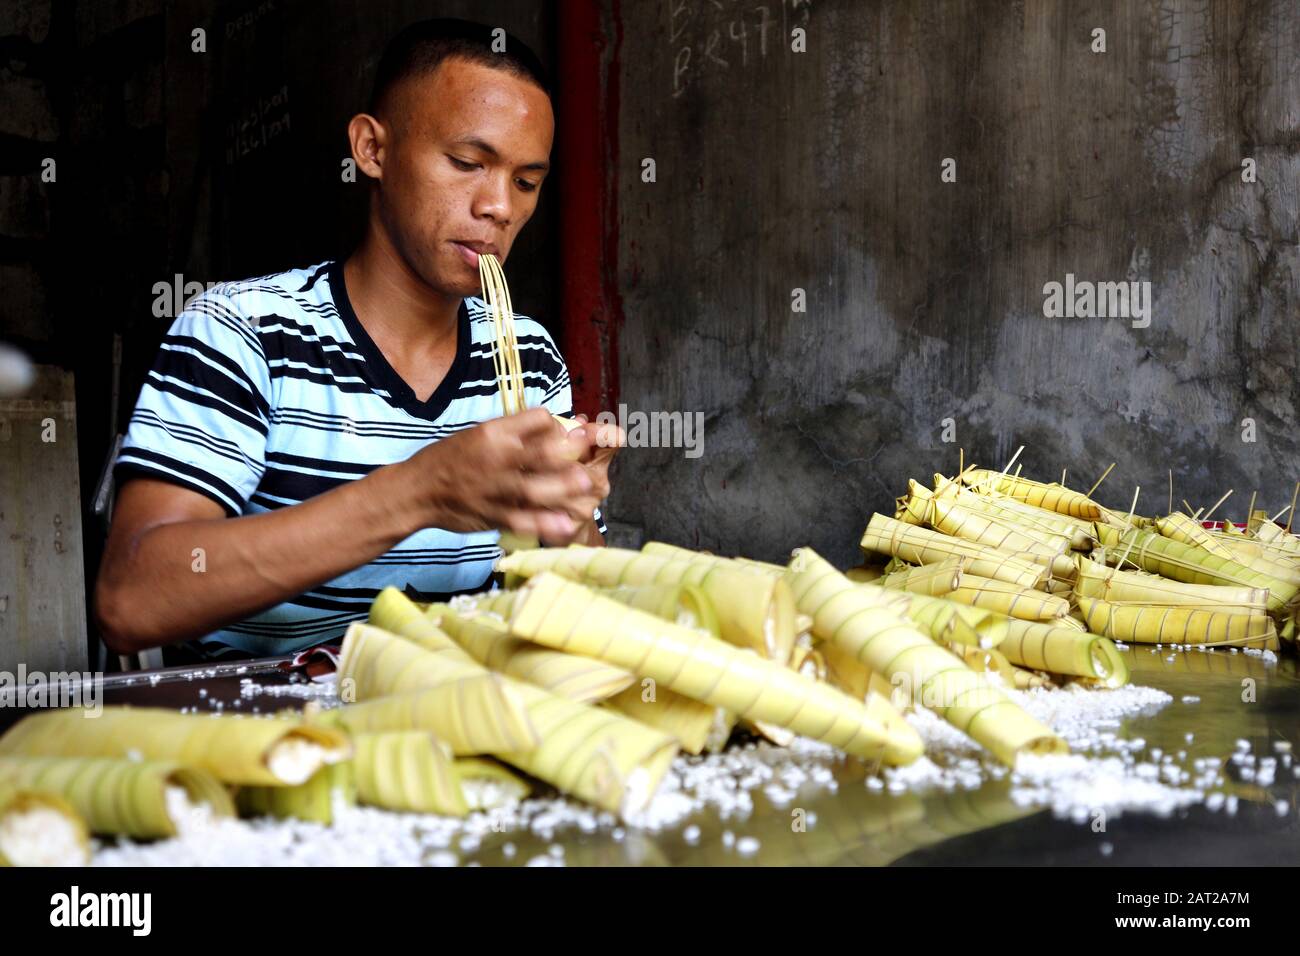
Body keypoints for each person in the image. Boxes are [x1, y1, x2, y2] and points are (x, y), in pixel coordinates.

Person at [96, 18, 619, 661]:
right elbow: (130, 597)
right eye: (466, 163)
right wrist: (419, 491)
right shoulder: (240, 332)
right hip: (262, 745)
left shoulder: (526, 357)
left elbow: (579, 603)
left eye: (525, 182)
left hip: (444, 732)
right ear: (372, 148)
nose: (499, 207)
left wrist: (568, 525)